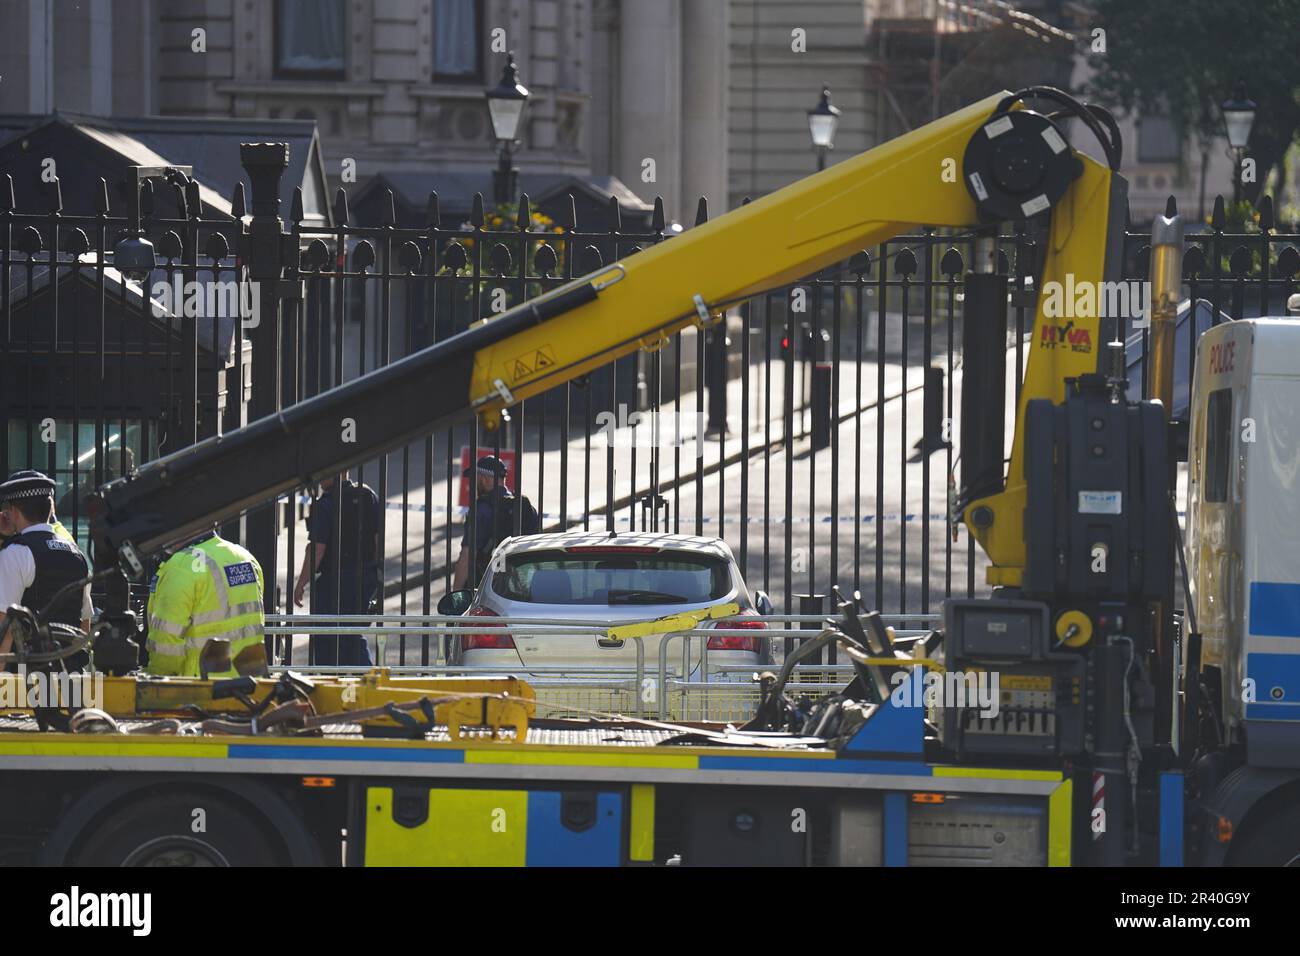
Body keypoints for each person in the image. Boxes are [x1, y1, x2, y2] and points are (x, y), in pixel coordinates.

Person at [0, 471, 93, 668]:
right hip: (69, 676)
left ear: (14, 512)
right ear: (50, 510)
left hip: (26, 681)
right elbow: (84, 622)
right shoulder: (76, 554)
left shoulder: (16, 553)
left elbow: (4, 625)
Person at [146, 528, 267, 678]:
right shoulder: (245, 557)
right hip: (249, 684)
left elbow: (165, 643)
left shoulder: (180, 567)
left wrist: (154, 681)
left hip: (201, 688)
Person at [294, 474, 381, 667]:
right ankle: (362, 683)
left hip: (335, 581)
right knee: (353, 635)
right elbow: (377, 540)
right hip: (364, 576)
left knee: (328, 638)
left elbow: (317, 549)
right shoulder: (367, 494)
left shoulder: (325, 505)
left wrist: (301, 583)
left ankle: (332, 681)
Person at [452, 456, 539, 590]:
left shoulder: (481, 510)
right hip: (522, 585)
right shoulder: (524, 506)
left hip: (487, 586)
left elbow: (466, 558)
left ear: (484, 479)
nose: (473, 484)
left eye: (476, 478)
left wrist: (456, 596)